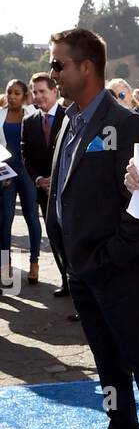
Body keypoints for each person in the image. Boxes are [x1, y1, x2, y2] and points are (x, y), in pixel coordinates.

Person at [46, 27, 139, 429]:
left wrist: (114, 254)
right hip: (80, 269)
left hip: (117, 268)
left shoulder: (127, 123)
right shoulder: (69, 121)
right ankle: (122, 426)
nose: (52, 72)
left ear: (86, 67)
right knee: (105, 357)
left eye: (58, 64)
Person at [21, 72, 69, 297]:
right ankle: (65, 281)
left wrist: (57, 180)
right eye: (34, 92)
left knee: (71, 237)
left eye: (42, 91)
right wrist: (39, 179)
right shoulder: (29, 121)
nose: (37, 96)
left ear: (54, 91)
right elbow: (26, 155)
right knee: (54, 237)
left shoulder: (69, 117)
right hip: (43, 191)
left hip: (67, 190)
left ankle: (79, 284)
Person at [1, 80, 40, 283]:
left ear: (24, 95)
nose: (12, 96)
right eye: (9, 93)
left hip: (27, 173)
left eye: (17, 93)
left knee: (32, 218)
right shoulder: (0, 115)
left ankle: (34, 263)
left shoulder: (33, 113)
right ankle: (4, 268)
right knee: (4, 221)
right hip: (5, 174)